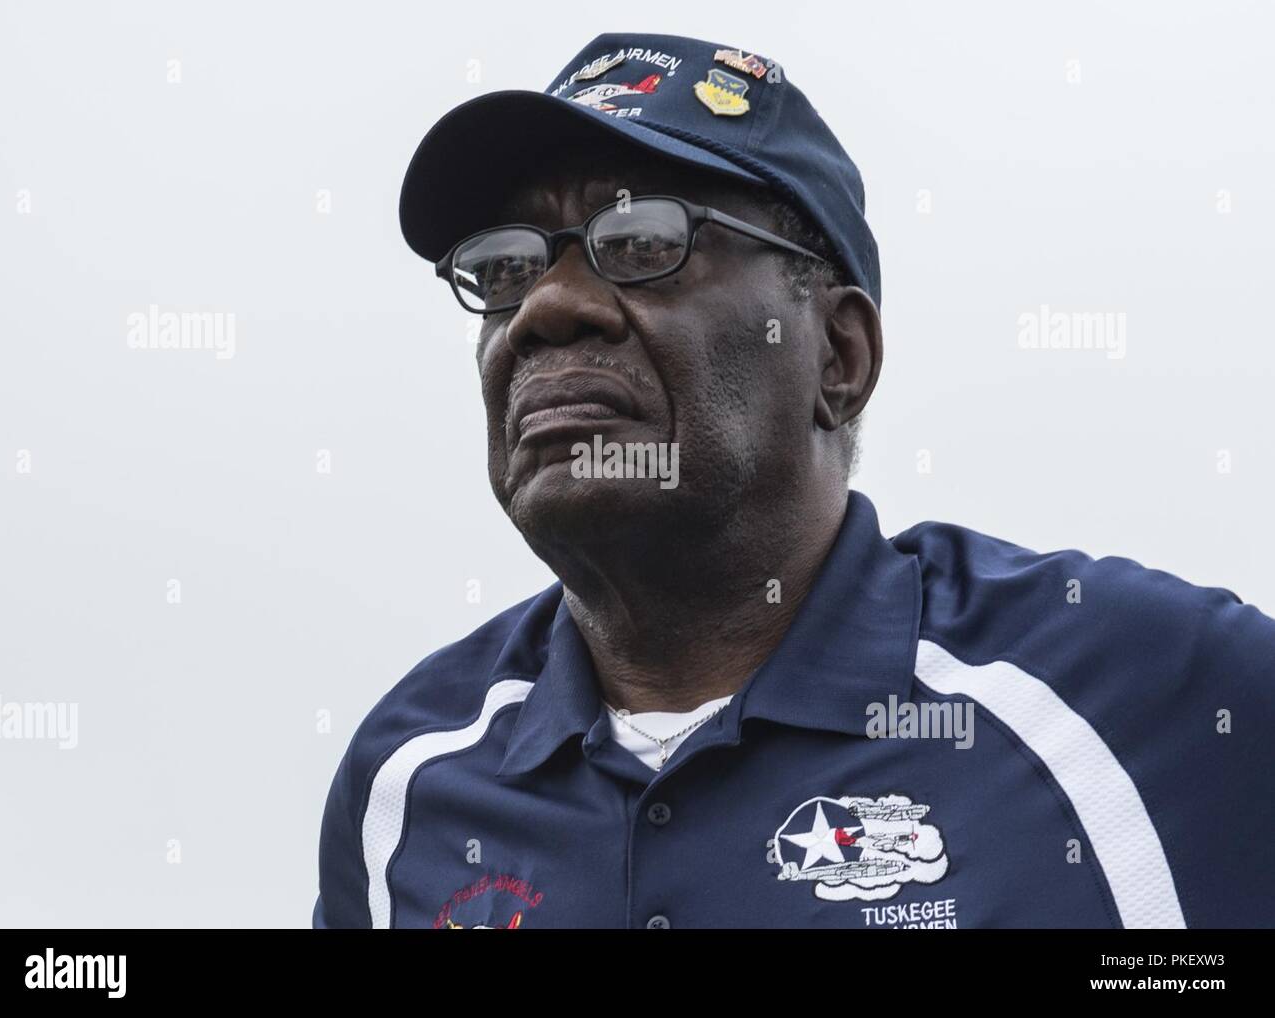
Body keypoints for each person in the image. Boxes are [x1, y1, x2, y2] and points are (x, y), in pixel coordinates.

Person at [314, 32, 1275, 929]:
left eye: (643, 242)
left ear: (839, 355)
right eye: (505, 267)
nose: (547, 309)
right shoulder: (407, 779)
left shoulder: (1146, 695)